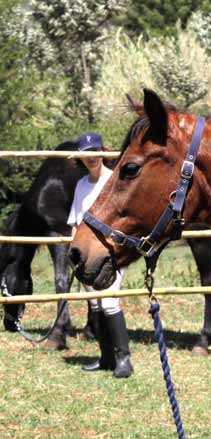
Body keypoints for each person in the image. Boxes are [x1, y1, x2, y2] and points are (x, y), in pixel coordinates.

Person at [67, 132, 133, 378]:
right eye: (87, 154)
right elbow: (76, 222)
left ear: (102, 152)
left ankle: (124, 359)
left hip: (111, 253)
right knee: (94, 303)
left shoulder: (114, 181)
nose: (92, 157)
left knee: (109, 301)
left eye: (95, 151)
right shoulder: (81, 185)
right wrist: (74, 253)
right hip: (87, 254)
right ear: (81, 158)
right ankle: (106, 357)